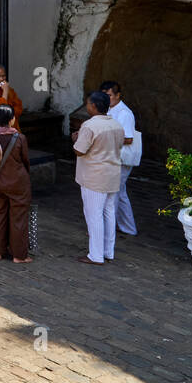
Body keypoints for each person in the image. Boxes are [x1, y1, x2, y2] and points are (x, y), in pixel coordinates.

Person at [71, 90, 125, 265]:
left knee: (94, 215)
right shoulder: (116, 124)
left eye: (88, 103)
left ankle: (95, 255)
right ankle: (108, 251)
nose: (87, 106)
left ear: (93, 106)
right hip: (112, 173)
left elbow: (79, 150)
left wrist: (75, 139)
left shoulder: (90, 125)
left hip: (94, 176)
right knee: (109, 213)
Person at [0, 103, 33, 263]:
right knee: (18, 217)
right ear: (12, 119)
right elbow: (25, 160)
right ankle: (19, 255)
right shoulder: (19, 138)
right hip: (17, 182)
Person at [101, 80, 139, 237]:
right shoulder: (109, 110)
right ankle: (128, 227)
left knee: (113, 193)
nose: (107, 99)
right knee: (120, 193)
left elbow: (128, 138)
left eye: (109, 95)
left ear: (118, 95)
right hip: (113, 157)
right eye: (104, 96)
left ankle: (107, 229)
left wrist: (105, 138)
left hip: (121, 159)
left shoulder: (123, 113)